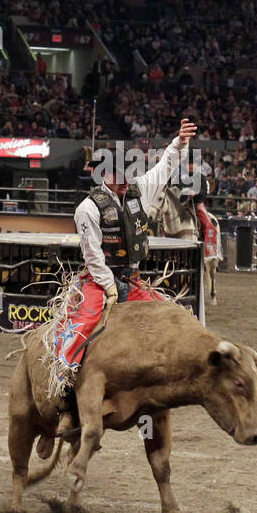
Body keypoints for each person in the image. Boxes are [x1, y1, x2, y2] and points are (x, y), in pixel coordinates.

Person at [52, 117, 198, 432]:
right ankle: (65, 396)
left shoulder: (138, 192)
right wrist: (109, 287)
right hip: (99, 280)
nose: (125, 179)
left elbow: (165, 167)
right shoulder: (87, 209)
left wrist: (179, 143)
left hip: (131, 278)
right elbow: (92, 255)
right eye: (119, 174)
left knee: (167, 314)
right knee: (81, 326)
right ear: (104, 175)